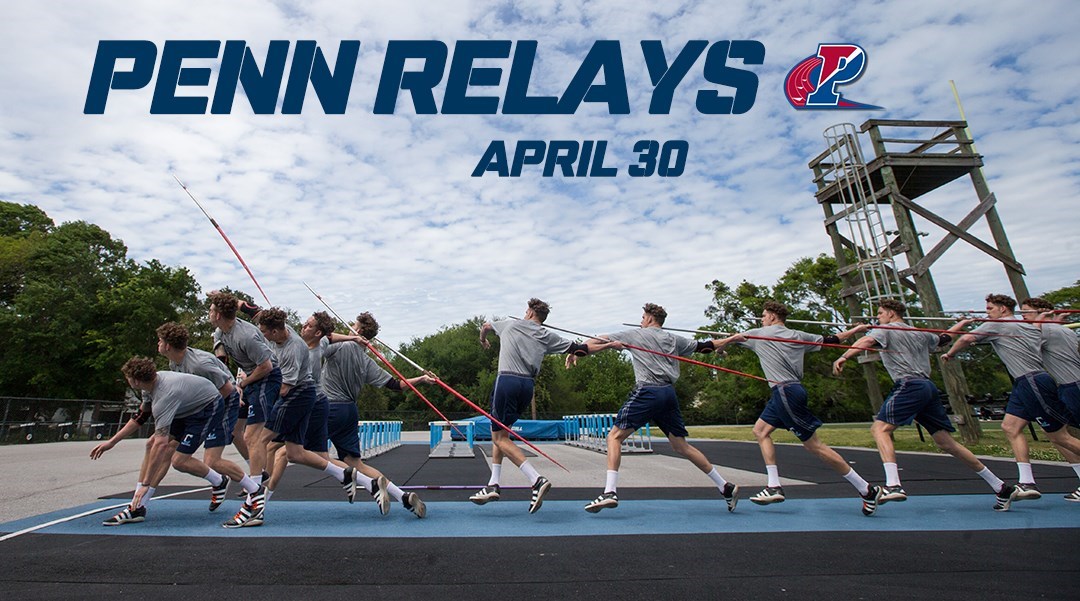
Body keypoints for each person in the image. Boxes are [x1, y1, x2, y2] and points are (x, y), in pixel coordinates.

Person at [834, 299, 1018, 511]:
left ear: (892, 314)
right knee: (946, 443)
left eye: (880, 313)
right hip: (928, 388)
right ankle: (1001, 487)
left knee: (880, 429)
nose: (878, 317)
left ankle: (894, 485)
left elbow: (866, 341)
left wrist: (844, 356)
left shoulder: (885, 329)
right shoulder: (919, 332)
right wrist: (963, 323)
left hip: (909, 384)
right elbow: (944, 338)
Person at [714, 301, 883, 516]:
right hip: (785, 392)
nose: (762, 319)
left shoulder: (760, 334)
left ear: (773, 317)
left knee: (815, 446)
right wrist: (856, 330)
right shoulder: (798, 335)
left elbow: (734, 338)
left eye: (764, 315)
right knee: (760, 431)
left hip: (786, 392)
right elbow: (833, 340)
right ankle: (773, 485)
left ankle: (866, 489)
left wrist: (722, 347)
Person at [569, 303, 740, 514]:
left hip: (648, 392)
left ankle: (610, 492)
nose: (641, 321)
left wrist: (578, 351)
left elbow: (599, 339)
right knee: (681, 446)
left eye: (642, 317)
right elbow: (706, 346)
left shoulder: (635, 334)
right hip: (668, 394)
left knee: (614, 437)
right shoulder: (673, 339)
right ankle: (725, 486)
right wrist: (731, 339)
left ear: (650, 319)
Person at [471, 298, 613, 513]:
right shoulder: (547, 335)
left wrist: (483, 340)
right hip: (527, 386)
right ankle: (493, 483)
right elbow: (581, 349)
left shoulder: (510, 324)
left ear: (528, 312)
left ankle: (536, 480)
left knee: (499, 437)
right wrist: (610, 345)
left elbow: (486, 327)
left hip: (507, 381)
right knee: (501, 433)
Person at [943, 293, 1080, 502]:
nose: (1024, 317)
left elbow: (967, 338)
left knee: (1058, 436)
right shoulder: (1031, 328)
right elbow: (1032, 330)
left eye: (990, 309)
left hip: (1036, 381)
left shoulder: (1006, 326)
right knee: (1010, 427)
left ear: (1003, 309)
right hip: (1025, 383)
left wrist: (950, 354)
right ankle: (1027, 482)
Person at [98, 357, 262, 526]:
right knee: (150, 445)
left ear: (136, 381)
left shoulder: (164, 397)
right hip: (186, 409)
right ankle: (137, 507)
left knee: (181, 460)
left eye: (128, 378)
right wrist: (112, 442)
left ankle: (254, 490)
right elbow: (141, 417)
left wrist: (146, 483)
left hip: (208, 408)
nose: (127, 380)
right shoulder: (148, 387)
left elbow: (160, 445)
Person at [318, 311, 436, 517]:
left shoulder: (338, 347)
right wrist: (422, 378)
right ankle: (403, 496)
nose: (349, 326)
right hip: (349, 411)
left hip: (330, 408)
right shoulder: (366, 361)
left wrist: (348, 337)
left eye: (353, 324)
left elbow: (321, 339)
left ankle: (365, 483)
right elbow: (396, 385)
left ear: (360, 330)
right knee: (355, 462)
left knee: (310, 454)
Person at [250, 307, 361, 524]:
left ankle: (257, 492)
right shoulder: (308, 337)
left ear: (317, 333)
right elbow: (331, 337)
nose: (304, 326)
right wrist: (354, 337)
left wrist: (253, 386)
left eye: (309, 325)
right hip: (310, 400)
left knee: (264, 442)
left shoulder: (307, 353)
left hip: (307, 400)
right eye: (304, 323)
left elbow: (284, 389)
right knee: (293, 452)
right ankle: (345, 475)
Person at [156, 322, 261, 511]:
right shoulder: (175, 362)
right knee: (175, 458)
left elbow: (227, 389)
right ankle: (219, 481)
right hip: (203, 406)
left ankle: (254, 489)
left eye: (160, 340)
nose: (158, 344)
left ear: (168, 345)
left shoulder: (199, 364)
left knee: (213, 460)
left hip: (223, 403)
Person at [208, 291, 281, 504]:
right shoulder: (220, 332)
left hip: (267, 376)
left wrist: (242, 384)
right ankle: (259, 474)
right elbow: (222, 363)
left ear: (219, 314)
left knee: (252, 435)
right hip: (248, 378)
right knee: (234, 431)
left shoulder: (246, 335)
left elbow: (266, 366)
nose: (209, 313)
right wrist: (231, 388)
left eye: (212, 310)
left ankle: (255, 487)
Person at [1017, 297, 1080, 501]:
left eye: (1026, 312)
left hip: (1072, 386)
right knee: (1059, 432)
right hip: (1068, 385)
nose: (1022, 316)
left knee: (1060, 433)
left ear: (1041, 312)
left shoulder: (1044, 331)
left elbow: (1026, 349)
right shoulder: (1060, 329)